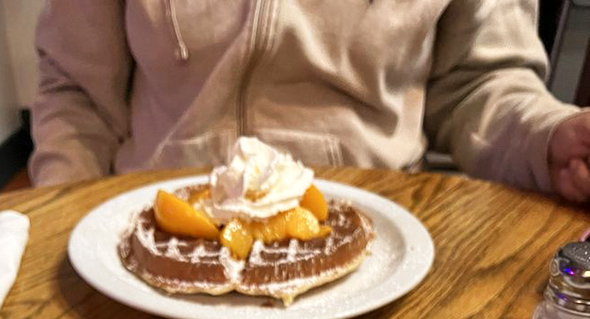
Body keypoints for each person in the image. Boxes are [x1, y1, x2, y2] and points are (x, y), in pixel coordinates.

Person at [29, 0, 590, 203]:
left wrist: (548, 136)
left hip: (374, 238)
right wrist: (61, 214)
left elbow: (480, 82)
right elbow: (76, 93)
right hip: (156, 222)